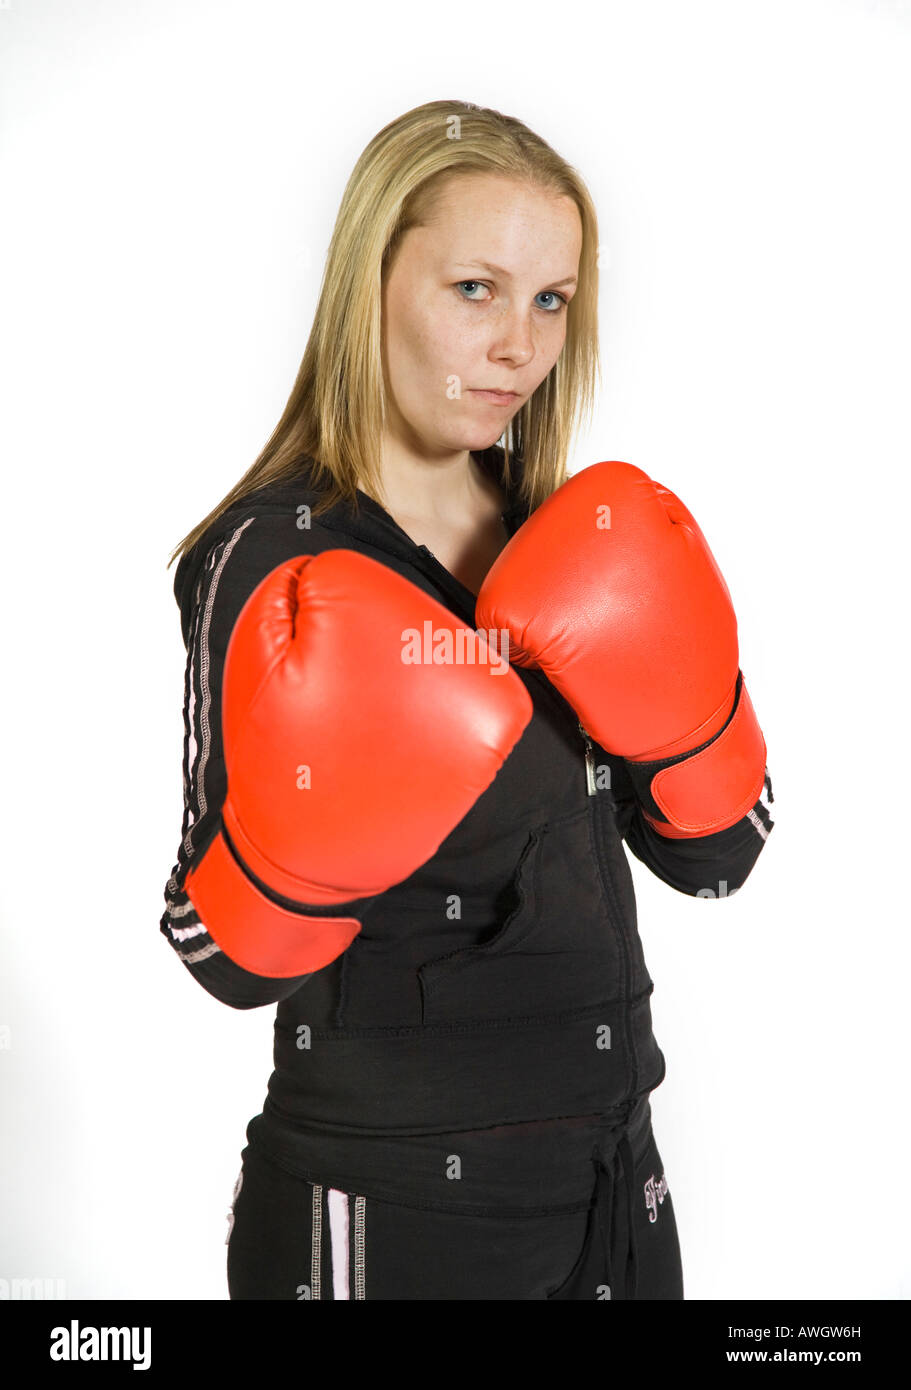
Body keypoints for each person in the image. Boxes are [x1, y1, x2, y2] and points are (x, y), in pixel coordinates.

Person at [161, 99, 774, 1301]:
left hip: (617, 1179)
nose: (517, 348)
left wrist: (693, 725)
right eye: (475, 289)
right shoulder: (279, 556)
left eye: (550, 300)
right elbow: (215, 949)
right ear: (370, 285)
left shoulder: (575, 536)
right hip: (391, 1205)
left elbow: (721, 855)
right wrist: (299, 855)